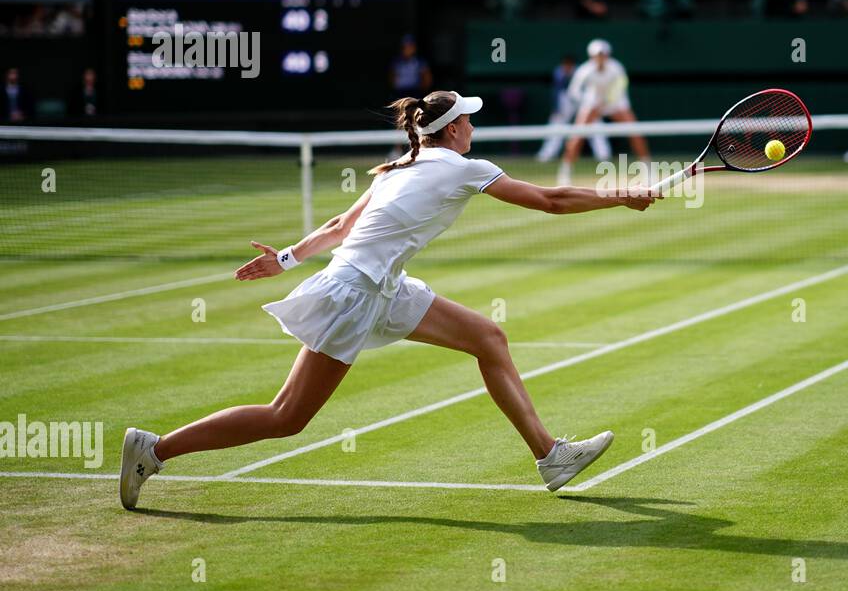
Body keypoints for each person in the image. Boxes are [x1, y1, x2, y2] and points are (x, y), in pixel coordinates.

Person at [119, 91, 656, 509]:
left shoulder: (401, 165)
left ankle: (550, 457)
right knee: (287, 417)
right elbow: (551, 200)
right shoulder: (462, 166)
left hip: (385, 287)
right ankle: (156, 450)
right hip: (355, 293)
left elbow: (337, 226)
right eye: (468, 119)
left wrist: (284, 259)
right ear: (452, 130)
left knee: (488, 337)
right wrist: (623, 196)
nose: (473, 125)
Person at [557, 39, 650, 185]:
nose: (600, 57)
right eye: (597, 55)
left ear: (607, 55)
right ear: (591, 56)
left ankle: (648, 171)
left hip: (616, 104)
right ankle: (565, 173)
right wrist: (590, 104)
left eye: (603, 54)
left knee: (635, 133)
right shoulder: (585, 70)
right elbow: (573, 92)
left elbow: (620, 88)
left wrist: (608, 102)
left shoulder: (616, 68)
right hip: (591, 103)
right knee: (576, 137)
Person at [536, 53, 612, 163]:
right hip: (565, 102)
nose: (566, 67)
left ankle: (604, 155)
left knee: (595, 125)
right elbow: (556, 92)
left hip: (583, 100)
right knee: (556, 127)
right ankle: (546, 155)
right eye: (565, 65)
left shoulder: (582, 71)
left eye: (569, 65)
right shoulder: (559, 72)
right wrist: (556, 108)